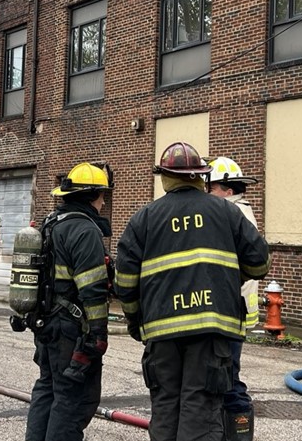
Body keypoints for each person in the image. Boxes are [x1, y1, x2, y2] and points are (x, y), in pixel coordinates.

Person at [115, 142, 269, 441]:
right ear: (200, 176)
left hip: (161, 333)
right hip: (212, 332)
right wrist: (229, 277)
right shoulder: (227, 212)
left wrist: (136, 323)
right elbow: (260, 263)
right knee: (200, 410)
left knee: (165, 409)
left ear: (165, 177)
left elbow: (125, 283)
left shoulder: (143, 219)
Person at [25, 162, 113, 441]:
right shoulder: (85, 231)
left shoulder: (51, 223)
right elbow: (93, 289)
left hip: (46, 323)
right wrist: (97, 333)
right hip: (70, 330)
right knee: (74, 398)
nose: (103, 202)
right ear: (92, 196)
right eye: (102, 196)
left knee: (47, 388)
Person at [207, 157, 262, 441]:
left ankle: (237, 430)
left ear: (228, 190)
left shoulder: (233, 216)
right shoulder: (238, 213)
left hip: (231, 311)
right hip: (234, 310)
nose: (208, 194)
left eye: (212, 188)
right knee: (225, 375)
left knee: (228, 380)